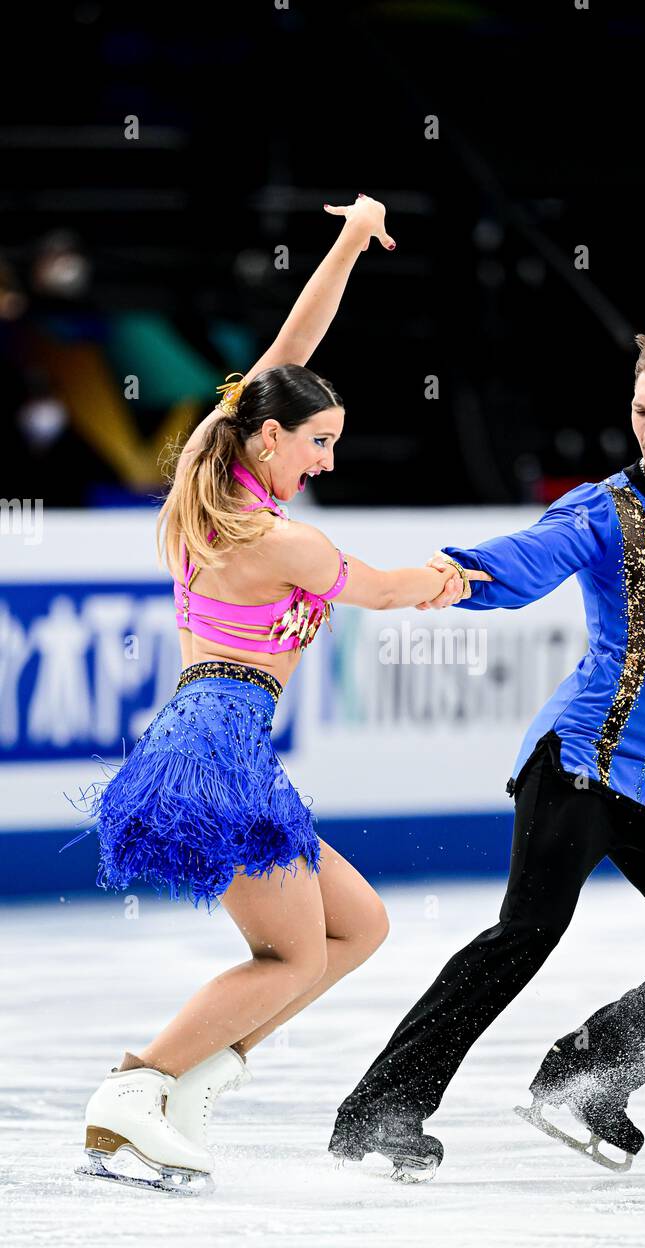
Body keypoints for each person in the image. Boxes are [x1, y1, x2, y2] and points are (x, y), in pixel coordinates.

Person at [67, 195, 482, 1194]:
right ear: (267, 442)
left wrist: (346, 240)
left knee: (360, 925)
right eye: (317, 442)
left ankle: (201, 1072)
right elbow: (380, 591)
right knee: (293, 956)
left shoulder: (226, 456)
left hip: (224, 740)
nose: (326, 459)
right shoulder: (276, 539)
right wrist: (453, 576)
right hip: (213, 744)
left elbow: (290, 347)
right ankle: (139, 1085)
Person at [330, 322, 645, 1179]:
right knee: (528, 930)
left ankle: (589, 1076)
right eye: (641, 408)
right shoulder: (605, 511)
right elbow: (528, 560)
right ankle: (380, 1110)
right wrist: (449, 578)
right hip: (581, 762)